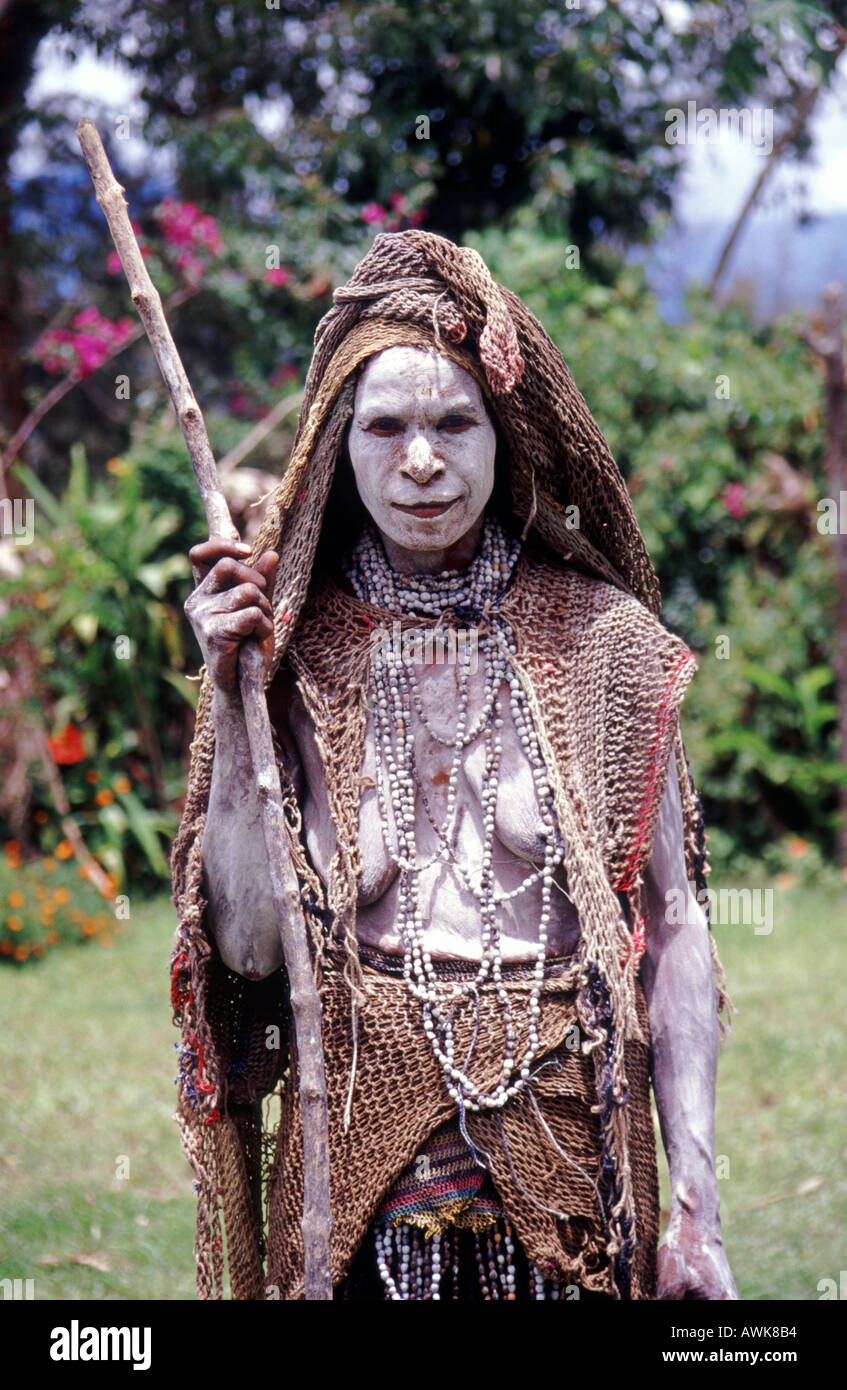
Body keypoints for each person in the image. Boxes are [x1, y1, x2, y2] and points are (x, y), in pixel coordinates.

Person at [171, 230, 736, 1301]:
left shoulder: (604, 648)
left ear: (503, 437)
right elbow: (244, 949)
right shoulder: (290, 662)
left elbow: (677, 933)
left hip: (572, 1166)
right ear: (339, 448)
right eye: (384, 428)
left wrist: (698, 1208)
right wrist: (235, 694)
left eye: (452, 422)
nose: (419, 462)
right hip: (350, 1175)